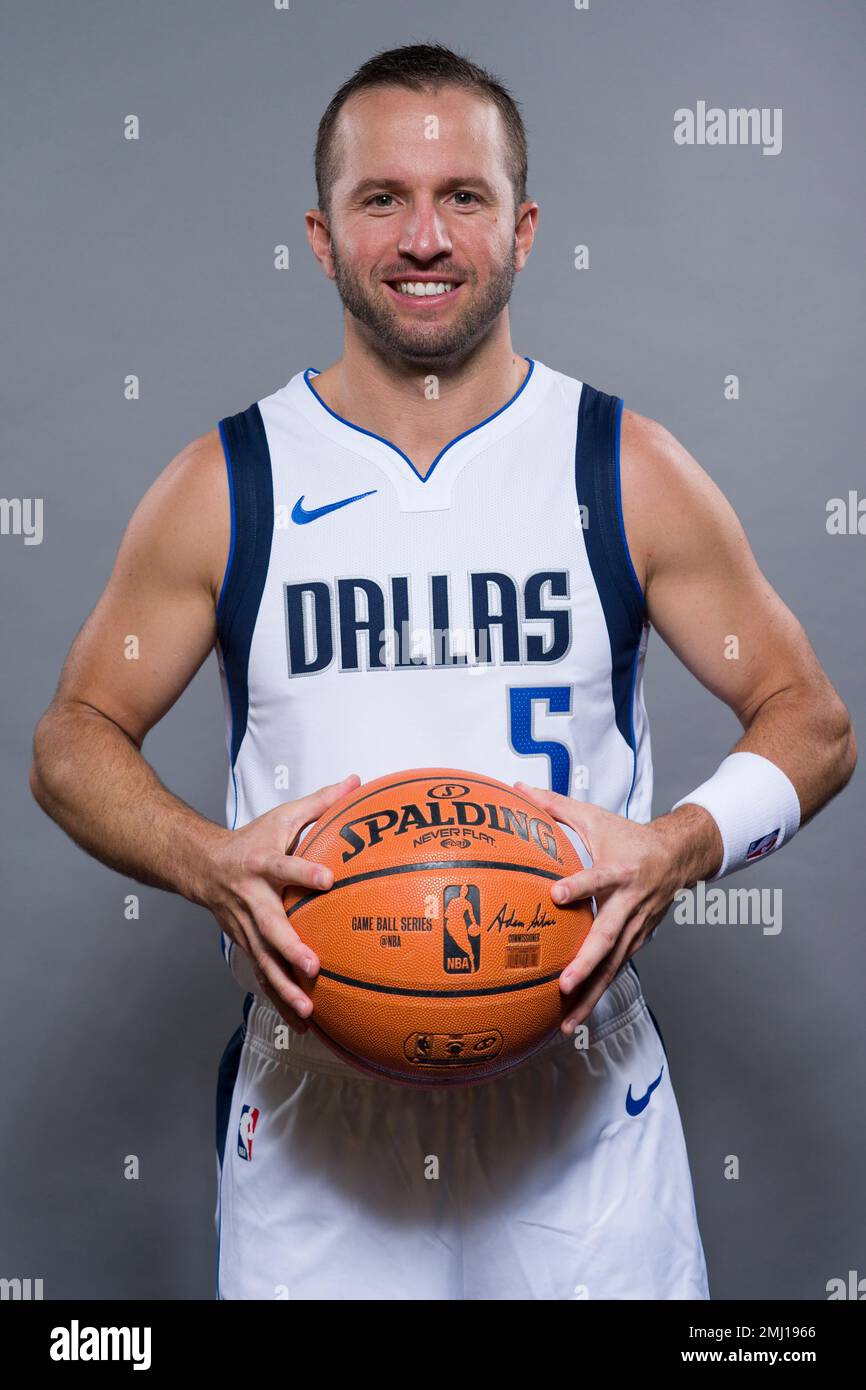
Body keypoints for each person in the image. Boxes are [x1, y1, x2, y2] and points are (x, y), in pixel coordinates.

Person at [30, 43, 856, 1300]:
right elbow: (71, 737)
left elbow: (812, 721)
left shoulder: (617, 465)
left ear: (521, 229)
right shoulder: (232, 480)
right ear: (321, 239)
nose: (424, 237)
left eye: (462, 196)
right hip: (319, 1104)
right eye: (383, 199)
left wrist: (680, 844)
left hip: (578, 1104)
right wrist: (205, 861)